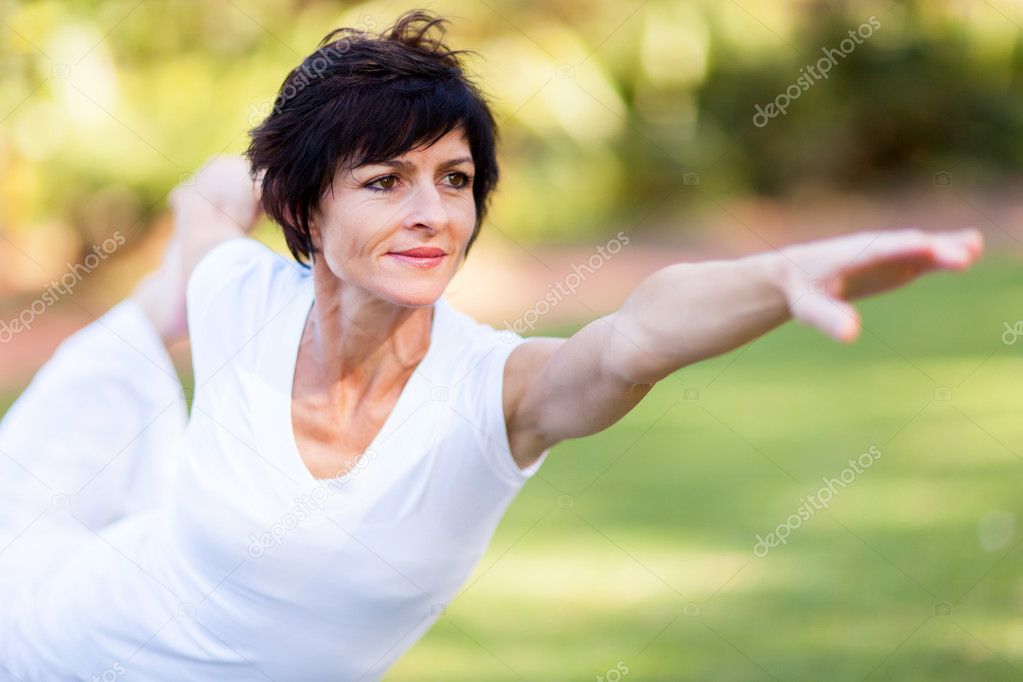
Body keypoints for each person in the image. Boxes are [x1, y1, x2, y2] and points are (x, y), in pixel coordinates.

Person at [0, 10, 983, 681]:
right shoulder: (240, 296)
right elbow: (207, 212)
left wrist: (779, 275)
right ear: (303, 206)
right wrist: (251, 172)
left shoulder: (495, 394)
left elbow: (633, 337)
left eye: (456, 178)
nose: (433, 213)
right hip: (45, 631)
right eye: (385, 180)